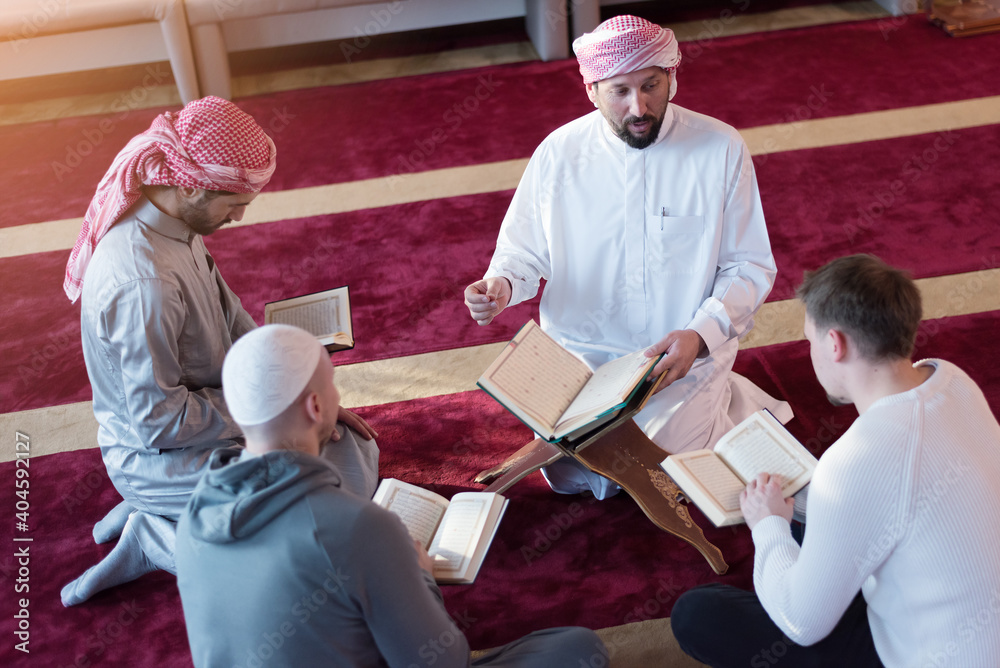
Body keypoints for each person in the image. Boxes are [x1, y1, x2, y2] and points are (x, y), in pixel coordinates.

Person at [61, 96, 378, 606]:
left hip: (210, 424)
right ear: (188, 184)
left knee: (349, 447)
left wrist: (298, 390)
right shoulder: (144, 283)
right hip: (160, 456)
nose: (240, 217)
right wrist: (276, 411)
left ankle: (183, 514)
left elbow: (230, 317)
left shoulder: (175, 221)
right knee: (327, 507)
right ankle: (157, 537)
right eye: (233, 205)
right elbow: (157, 424)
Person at [464, 15, 790, 498]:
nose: (638, 107)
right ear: (591, 89)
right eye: (620, 91)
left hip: (674, 360)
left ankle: (721, 399)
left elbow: (749, 266)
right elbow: (523, 252)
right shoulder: (558, 154)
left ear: (672, 79)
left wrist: (700, 337)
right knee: (581, 474)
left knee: (667, 473)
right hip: (583, 361)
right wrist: (501, 286)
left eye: (651, 86)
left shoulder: (720, 147)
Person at [175, 324, 607, 667]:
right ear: (316, 407)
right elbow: (441, 662)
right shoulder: (355, 524)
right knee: (574, 648)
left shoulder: (194, 515)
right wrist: (419, 573)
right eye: (333, 387)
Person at [671, 254, 1000, 667]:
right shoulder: (951, 378)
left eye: (810, 340)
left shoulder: (853, 464)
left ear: (835, 343)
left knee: (697, 614)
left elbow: (802, 622)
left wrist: (768, 525)